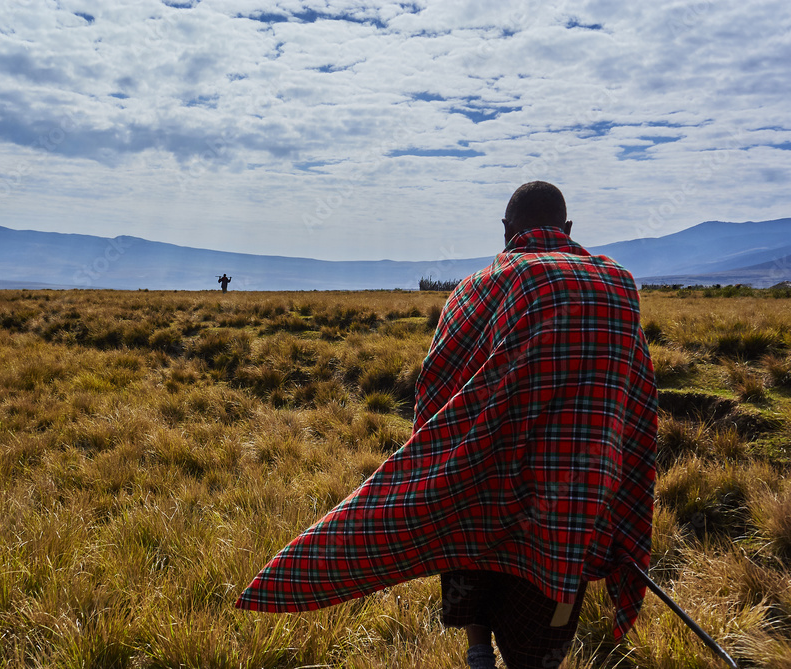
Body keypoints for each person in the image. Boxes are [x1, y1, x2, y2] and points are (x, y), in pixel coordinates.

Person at [236, 181, 658, 669]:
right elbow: (640, 401)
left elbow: (436, 391)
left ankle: (478, 651)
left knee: (462, 522)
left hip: (481, 490)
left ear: (506, 231)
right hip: (573, 505)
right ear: (566, 229)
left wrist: (440, 455)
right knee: (542, 636)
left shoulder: (480, 288)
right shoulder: (619, 285)